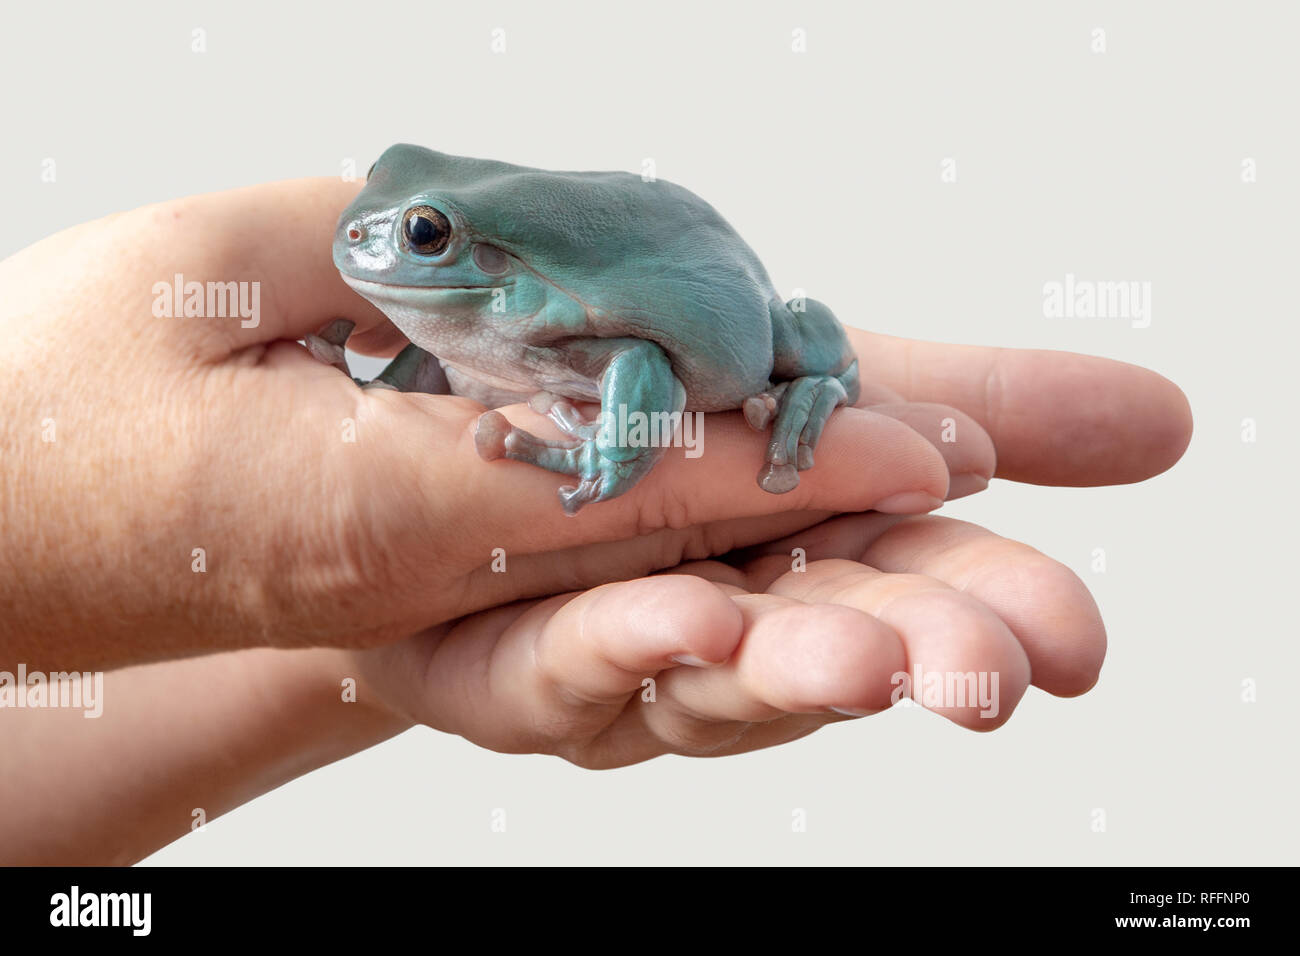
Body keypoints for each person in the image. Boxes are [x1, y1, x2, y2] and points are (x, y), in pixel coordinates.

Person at [0, 178, 1192, 864]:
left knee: (802, 350)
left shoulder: (548, 299)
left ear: (482, 252)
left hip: (737, 346)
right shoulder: (464, 306)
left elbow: (638, 357)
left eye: (421, 236)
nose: (369, 250)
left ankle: (810, 393)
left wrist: (611, 465)